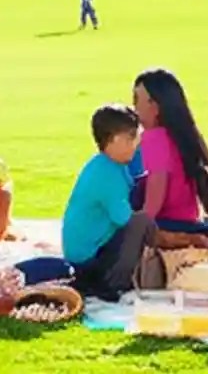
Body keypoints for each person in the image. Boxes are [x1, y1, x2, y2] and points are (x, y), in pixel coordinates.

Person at [62, 104, 156, 301]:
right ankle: (112, 281)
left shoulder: (111, 164)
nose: (137, 143)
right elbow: (125, 219)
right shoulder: (107, 174)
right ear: (114, 140)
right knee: (141, 223)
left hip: (89, 251)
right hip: (89, 260)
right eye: (131, 138)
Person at [131, 69, 208, 236]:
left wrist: (137, 230)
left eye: (137, 100)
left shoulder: (154, 139)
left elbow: (155, 198)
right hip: (188, 221)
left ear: (155, 105)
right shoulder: (179, 135)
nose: (134, 107)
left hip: (170, 224)